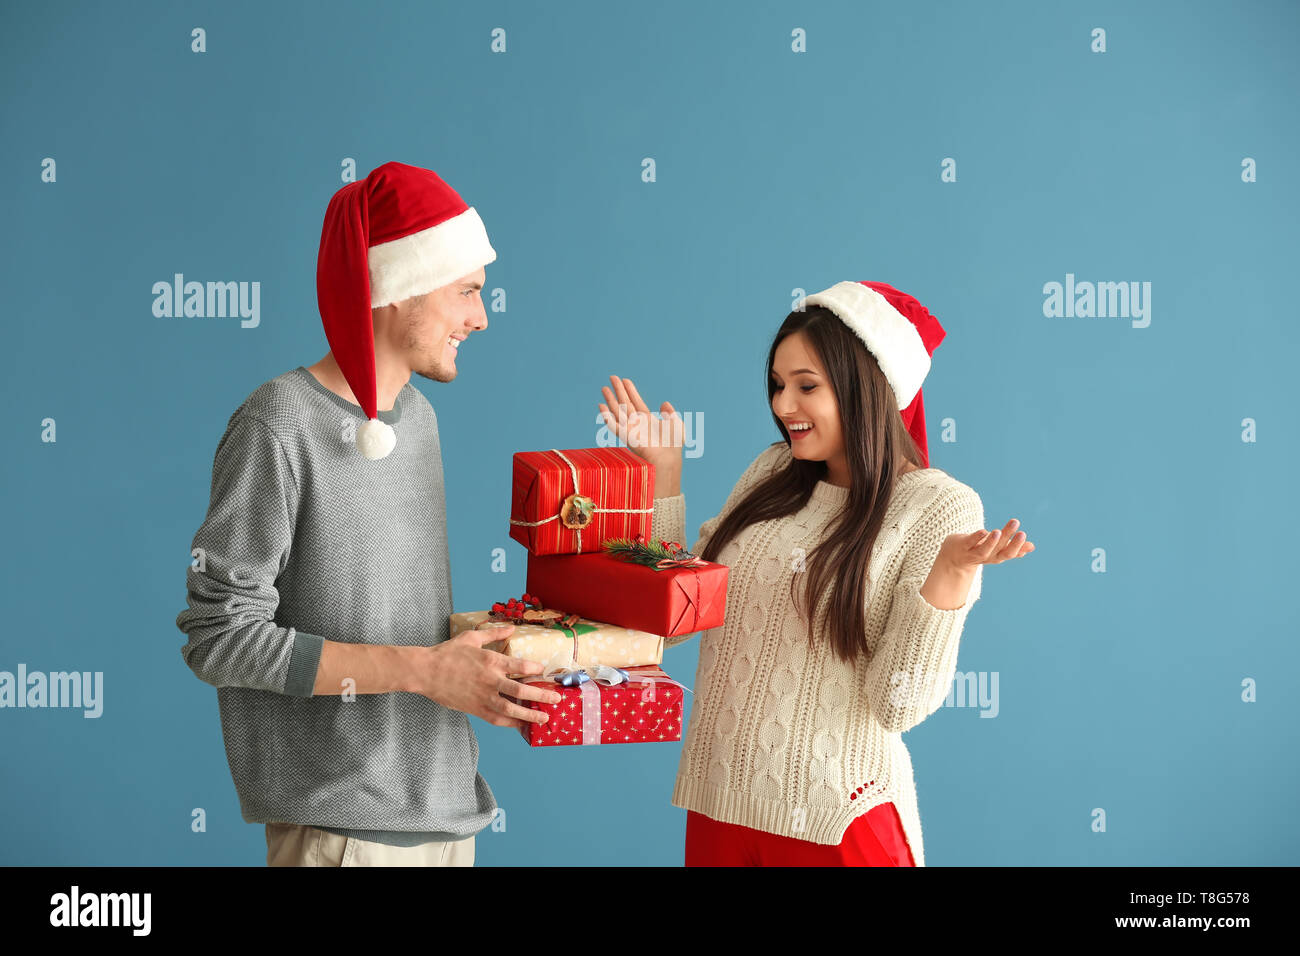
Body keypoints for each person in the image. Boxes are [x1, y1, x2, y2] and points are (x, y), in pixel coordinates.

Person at [175, 161, 561, 867]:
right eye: (468, 291)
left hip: (447, 822)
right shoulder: (280, 421)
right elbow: (220, 638)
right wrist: (422, 671)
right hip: (343, 835)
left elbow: (385, 618)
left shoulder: (418, 421)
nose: (481, 316)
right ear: (395, 289)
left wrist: (484, 653)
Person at [598, 280, 1033, 866]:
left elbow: (897, 705)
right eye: (778, 385)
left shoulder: (936, 506)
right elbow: (671, 623)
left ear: (867, 387)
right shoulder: (771, 473)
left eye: (807, 386)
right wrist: (665, 477)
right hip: (718, 808)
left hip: (837, 824)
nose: (782, 406)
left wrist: (951, 574)